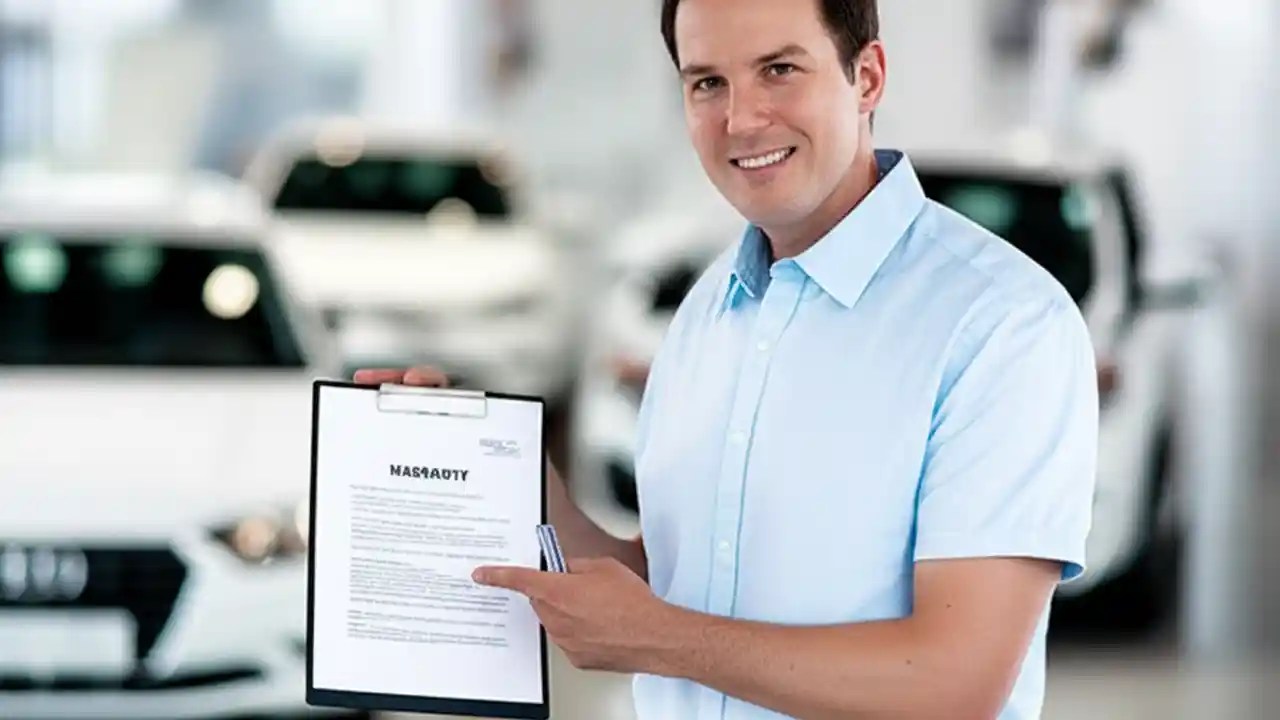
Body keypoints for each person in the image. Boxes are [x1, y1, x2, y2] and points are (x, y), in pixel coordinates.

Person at [355, 0, 1099, 717]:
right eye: (708, 82)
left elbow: (953, 682)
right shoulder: (707, 311)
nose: (741, 119)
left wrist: (663, 640)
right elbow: (677, 578)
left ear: (866, 76)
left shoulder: (1001, 324)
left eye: (779, 69)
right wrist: (507, 473)